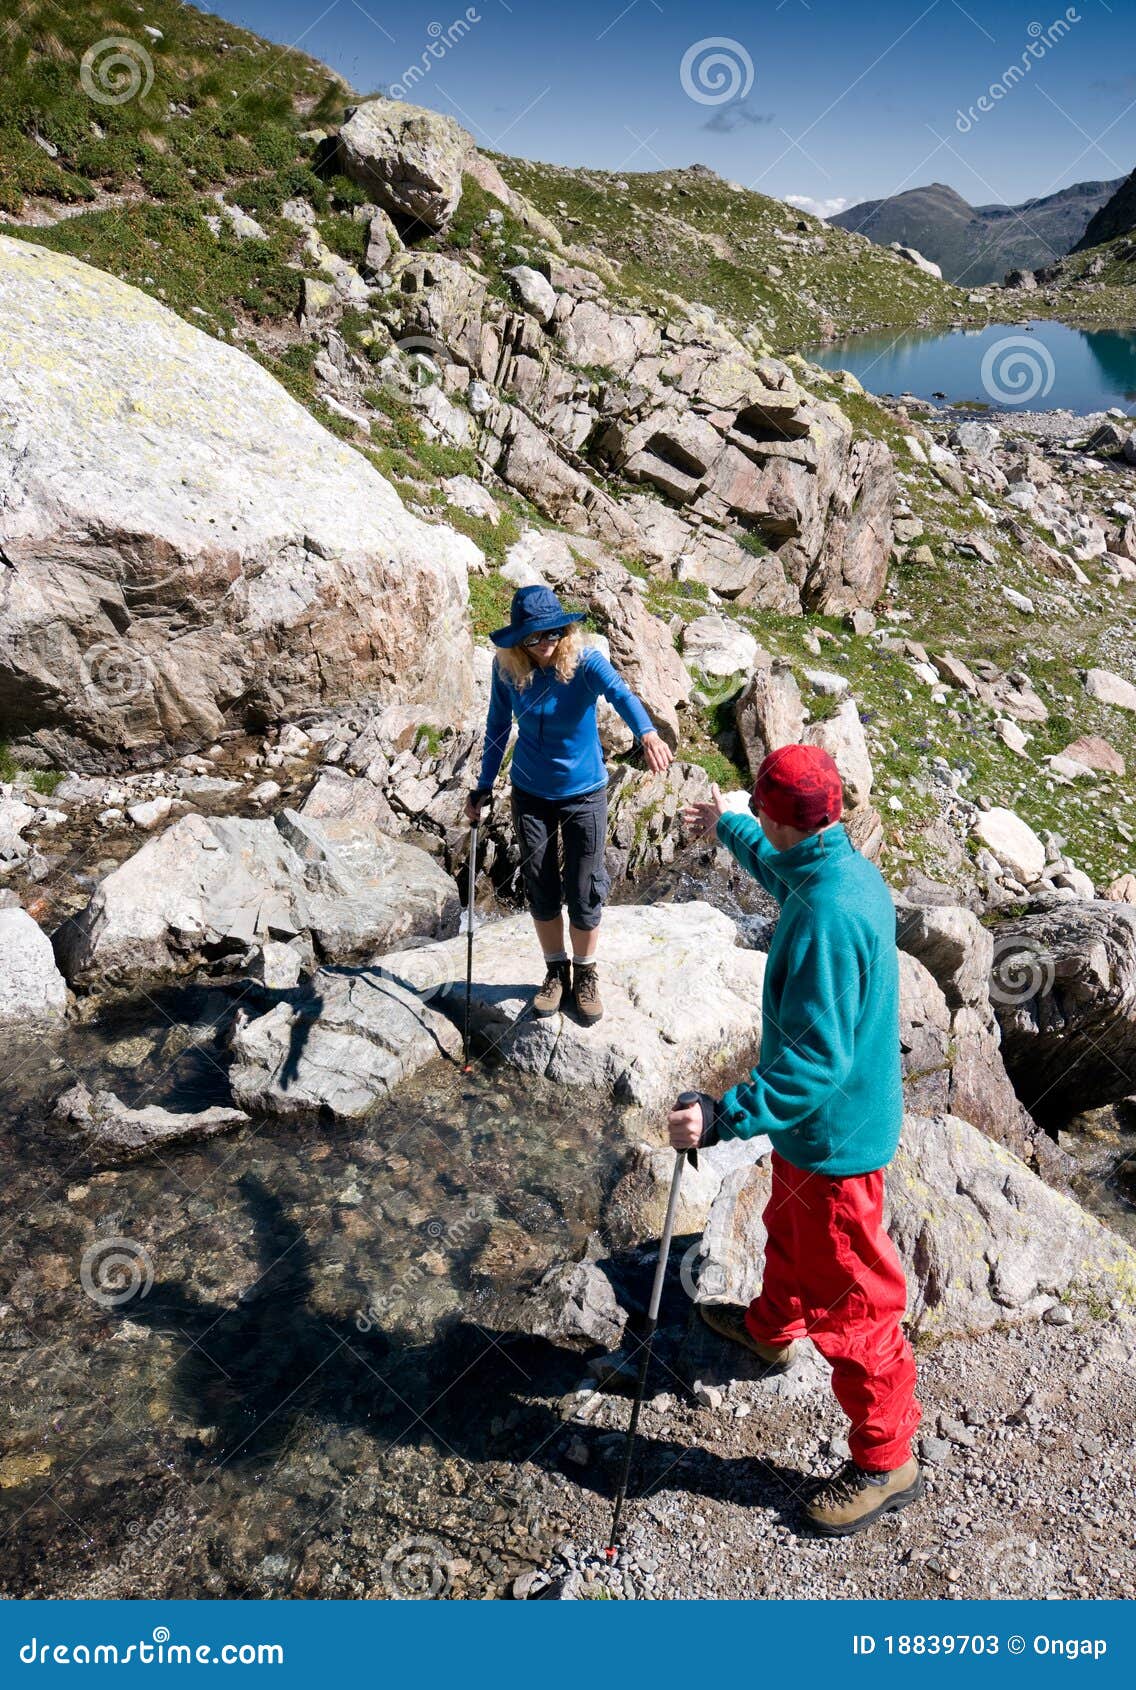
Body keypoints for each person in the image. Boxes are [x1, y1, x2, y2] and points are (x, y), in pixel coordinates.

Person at [670, 744, 922, 1537]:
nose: (757, 820)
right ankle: (771, 1329)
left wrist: (723, 1117)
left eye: (758, 811)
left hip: (838, 1141)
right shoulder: (839, 869)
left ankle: (888, 1461)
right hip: (820, 1136)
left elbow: (814, 1061)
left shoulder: (828, 915)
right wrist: (728, 829)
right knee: (788, 1230)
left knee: (856, 1307)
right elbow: (786, 868)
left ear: (786, 818)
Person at [466, 585, 673, 1025]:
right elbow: (497, 728)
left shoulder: (584, 663)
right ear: (518, 641)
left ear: (566, 629)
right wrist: (483, 786)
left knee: (584, 888)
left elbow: (621, 694)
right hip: (530, 792)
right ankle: (555, 972)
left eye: (554, 633)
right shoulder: (507, 672)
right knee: (540, 885)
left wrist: (648, 733)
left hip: (584, 793)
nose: (546, 644)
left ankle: (586, 974)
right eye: (535, 637)